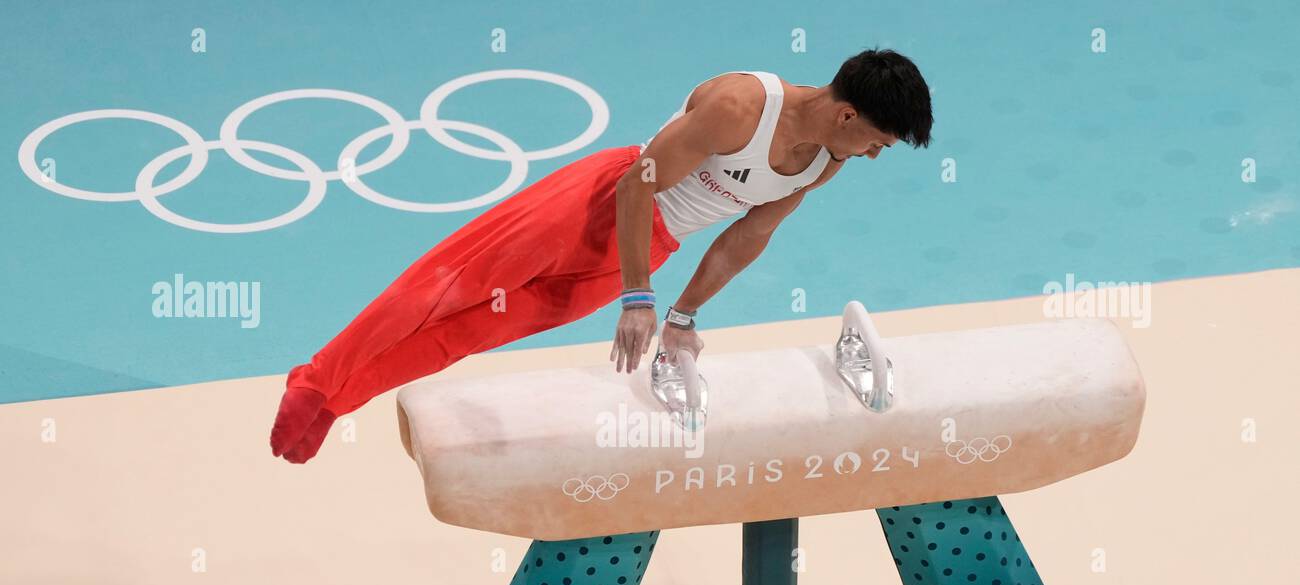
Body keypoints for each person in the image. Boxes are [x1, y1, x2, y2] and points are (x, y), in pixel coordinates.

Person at [269, 48, 933, 463]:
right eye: (876, 140)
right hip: (595, 204)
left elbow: (746, 237)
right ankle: (316, 379)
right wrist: (638, 295)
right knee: (445, 288)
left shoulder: (822, 163)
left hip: (647, 251)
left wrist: (682, 316)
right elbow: (637, 182)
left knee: (470, 331)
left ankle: (340, 398)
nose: (874, 156)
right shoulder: (740, 107)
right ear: (847, 115)